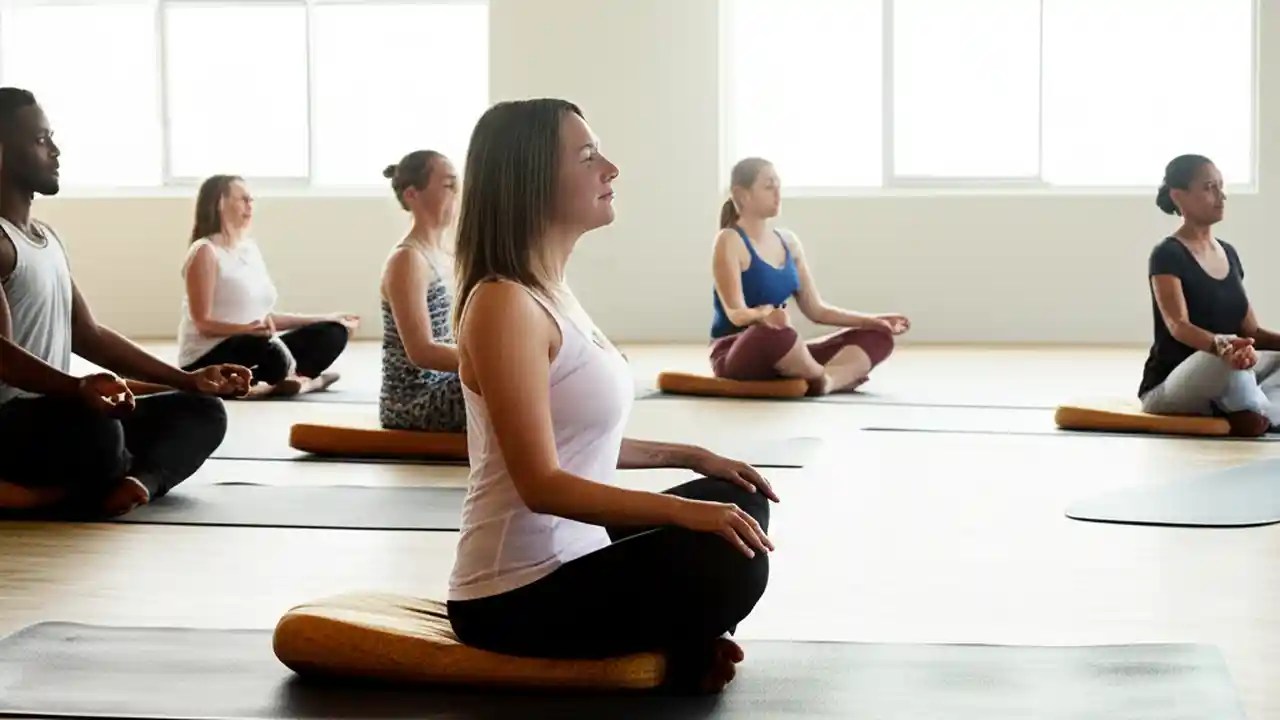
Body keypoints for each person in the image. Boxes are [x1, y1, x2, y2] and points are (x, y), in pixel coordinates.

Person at [446, 99, 777, 694]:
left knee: (736, 500)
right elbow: (541, 483)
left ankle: (683, 638)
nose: (611, 169)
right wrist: (681, 512)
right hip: (513, 593)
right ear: (531, 180)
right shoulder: (503, 304)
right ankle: (685, 642)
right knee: (730, 557)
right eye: (588, 157)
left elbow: (580, 441)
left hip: (579, 552)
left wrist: (693, 457)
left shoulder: (550, 291)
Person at [0, 87, 250, 517]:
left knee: (202, 410)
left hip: (57, 415)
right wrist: (78, 389)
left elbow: (89, 335)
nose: (55, 151)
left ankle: (135, 482)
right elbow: (2, 357)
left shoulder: (45, 238)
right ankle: (55, 491)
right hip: (13, 425)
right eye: (41, 140)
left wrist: (187, 379)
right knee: (99, 430)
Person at [710, 157, 910, 395]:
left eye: (779, 186)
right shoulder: (729, 240)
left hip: (786, 350)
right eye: (769, 187)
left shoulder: (789, 242)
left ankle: (825, 381)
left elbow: (817, 311)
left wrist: (873, 321)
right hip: (737, 351)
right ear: (742, 195)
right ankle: (821, 376)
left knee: (878, 337)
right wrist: (764, 315)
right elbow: (735, 313)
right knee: (776, 335)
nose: (778, 194)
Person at [177, 175, 360, 398]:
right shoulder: (205, 251)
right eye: (243, 199)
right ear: (219, 203)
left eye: (251, 200)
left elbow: (266, 320)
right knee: (266, 348)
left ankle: (279, 381)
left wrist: (326, 318)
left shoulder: (249, 249)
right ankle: (304, 381)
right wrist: (245, 330)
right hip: (209, 356)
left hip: (257, 344)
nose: (250, 205)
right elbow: (202, 324)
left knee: (333, 332)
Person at [1139, 154, 1280, 436]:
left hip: (1231, 368)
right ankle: (1257, 411)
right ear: (1178, 196)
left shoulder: (1228, 252)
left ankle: (1253, 411)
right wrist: (1222, 346)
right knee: (1227, 362)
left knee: (1274, 359)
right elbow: (1178, 325)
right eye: (1209, 187)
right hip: (1171, 385)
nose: (1221, 196)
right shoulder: (1167, 253)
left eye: (1221, 186)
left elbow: (1251, 331)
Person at [378, 151, 465, 432]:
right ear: (412, 194)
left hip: (446, 383)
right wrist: (492, 363)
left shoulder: (447, 256)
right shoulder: (408, 259)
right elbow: (422, 351)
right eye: (448, 185)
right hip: (414, 399)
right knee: (515, 382)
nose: (456, 194)